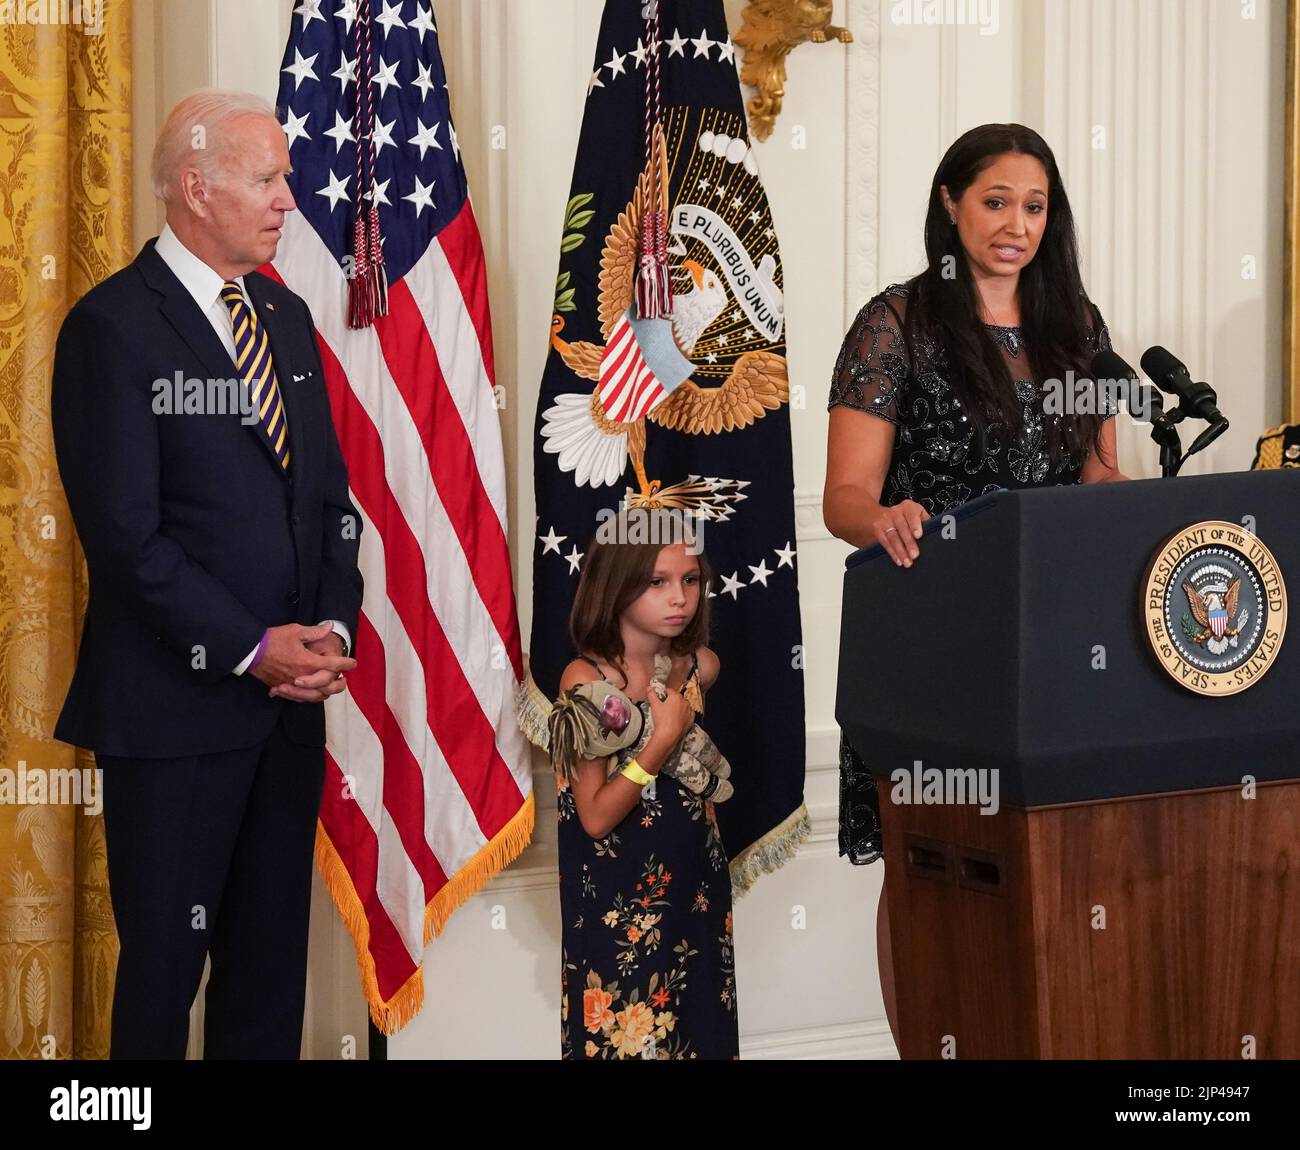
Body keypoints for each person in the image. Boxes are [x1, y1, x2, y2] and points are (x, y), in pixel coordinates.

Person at [50, 89, 363, 1059]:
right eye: (266, 178)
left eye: (283, 177)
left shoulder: (286, 314)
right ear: (195, 188)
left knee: (267, 980)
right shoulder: (112, 329)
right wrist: (252, 646)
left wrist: (328, 635)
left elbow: (329, 506)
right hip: (173, 715)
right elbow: (128, 541)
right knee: (160, 982)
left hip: (289, 712)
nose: (287, 197)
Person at [822, 123, 1128, 1043]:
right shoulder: (898, 323)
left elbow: (1096, 479)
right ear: (951, 204)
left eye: (1035, 207)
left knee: (1053, 856)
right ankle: (926, 1040)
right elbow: (844, 495)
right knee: (929, 864)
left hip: (1058, 637)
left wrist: (1135, 502)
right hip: (936, 634)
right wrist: (882, 519)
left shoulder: (1077, 326)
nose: (1017, 224)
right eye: (997, 201)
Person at [553, 519, 737, 1059]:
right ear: (615, 584)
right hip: (618, 908)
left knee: (703, 1034)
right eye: (657, 582)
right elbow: (593, 817)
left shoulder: (698, 668)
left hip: (695, 892)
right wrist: (661, 740)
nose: (679, 598)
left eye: (690, 580)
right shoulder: (587, 682)